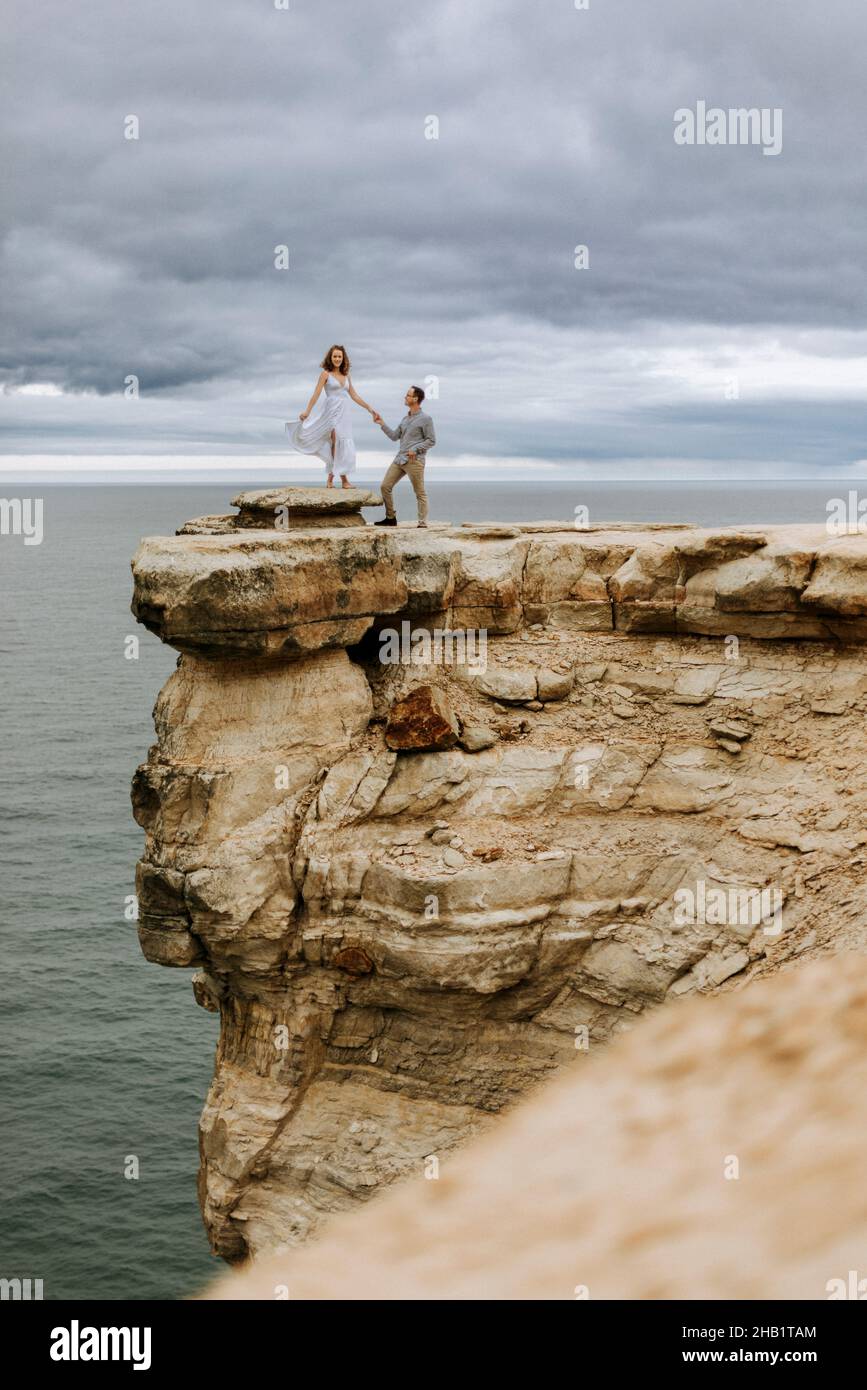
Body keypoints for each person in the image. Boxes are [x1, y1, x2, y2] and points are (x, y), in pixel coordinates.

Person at [286, 345, 378, 488]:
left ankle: (331, 478)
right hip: (331, 412)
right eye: (334, 356)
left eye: (339, 356)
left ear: (343, 358)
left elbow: (353, 395)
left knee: (341, 442)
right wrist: (307, 411)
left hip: (345, 412)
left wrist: (369, 408)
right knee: (336, 441)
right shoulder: (325, 374)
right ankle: (343, 480)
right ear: (330, 358)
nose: (337, 359)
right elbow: (316, 394)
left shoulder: (347, 375)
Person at [373, 386, 436, 527]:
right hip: (399, 459)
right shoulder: (405, 419)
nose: (405, 397)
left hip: (415, 461)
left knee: (420, 492)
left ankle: (422, 523)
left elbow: (431, 440)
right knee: (385, 486)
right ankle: (390, 518)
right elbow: (394, 436)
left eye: (408, 395)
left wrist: (416, 448)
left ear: (415, 399)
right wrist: (381, 423)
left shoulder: (426, 419)